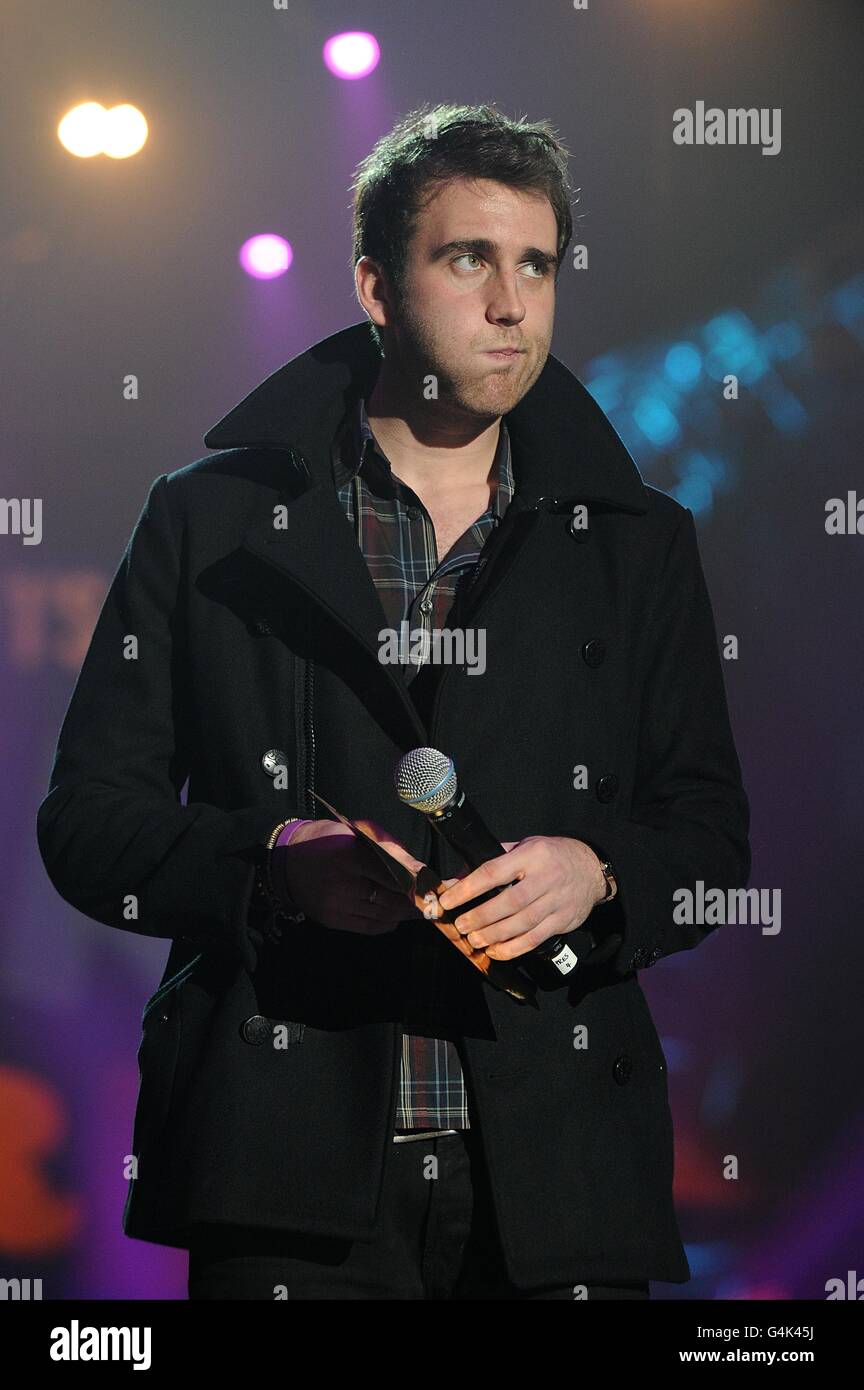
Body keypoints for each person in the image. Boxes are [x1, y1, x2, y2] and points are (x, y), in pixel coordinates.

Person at [36, 102, 750, 1300]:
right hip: (287, 1177)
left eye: (537, 264)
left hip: (556, 1175)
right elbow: (87, 821)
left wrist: (601, 872)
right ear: (375, 285)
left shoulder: (636, 542)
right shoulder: (208, 520)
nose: (514, 303)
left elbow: (712, 838)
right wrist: (266, 864)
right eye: (470, 258)